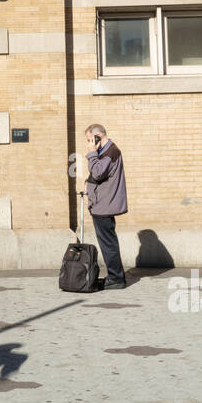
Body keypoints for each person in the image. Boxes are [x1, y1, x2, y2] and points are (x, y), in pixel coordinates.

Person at [84, 123, 128, 290]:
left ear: (97, 137)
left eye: (90, 140)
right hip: (103, 205)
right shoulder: (107, 152)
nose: (88, 143)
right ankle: (115, 276)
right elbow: (100, 176)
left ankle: (116, 278)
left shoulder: (109, 152)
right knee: (108, 242)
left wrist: (91, 153)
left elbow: (98, 172)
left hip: (104, 207)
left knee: (108, 244)